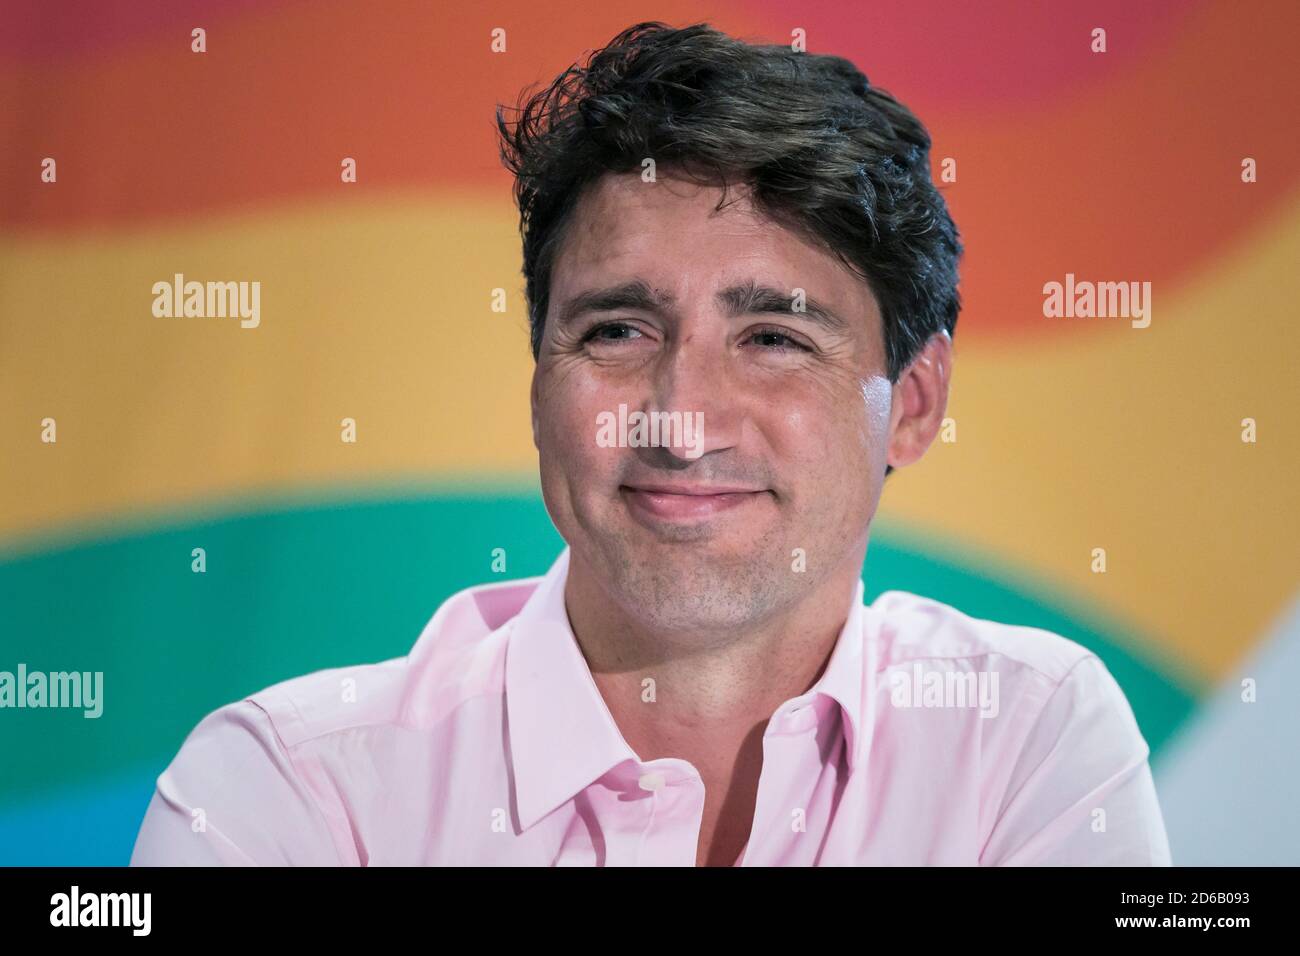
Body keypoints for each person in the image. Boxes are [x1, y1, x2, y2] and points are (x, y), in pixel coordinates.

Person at [131, 21, 1171, 866]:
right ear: (541, 379)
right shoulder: (287, 793)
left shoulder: (1026, 738)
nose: (682, 415)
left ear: (912, 400)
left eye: (773, 337)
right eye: (618, 331)